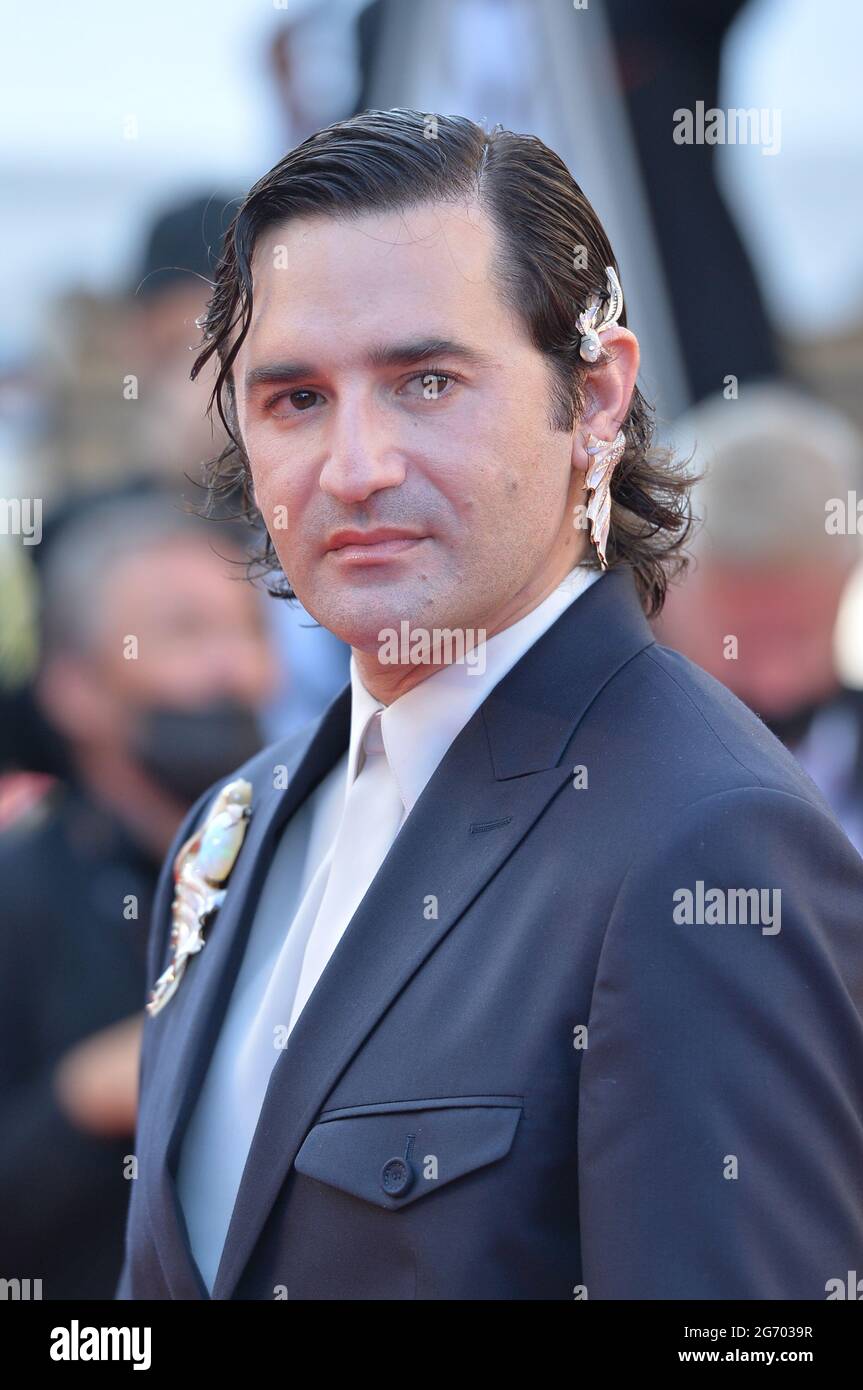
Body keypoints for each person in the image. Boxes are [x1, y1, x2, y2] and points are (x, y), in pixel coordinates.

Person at [117, 110, 863, 1302]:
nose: (355, 466)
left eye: (425, 381)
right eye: (295, 398)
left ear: (596, 395)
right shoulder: (235, 827)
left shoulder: (705, 842)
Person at [0, 493, 275, 1298]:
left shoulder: (325, 848)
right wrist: (83, 1099)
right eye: (186, 633)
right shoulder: (20, 900)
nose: (235, 669)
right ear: (75, 688)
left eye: (251, 632)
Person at [657, 383, 863, 855]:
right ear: (663, 600)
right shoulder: (597, 778)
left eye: (798, 637)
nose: (775, 684)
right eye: (740, 641)